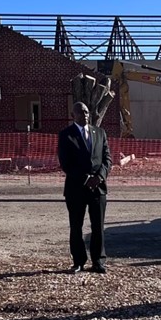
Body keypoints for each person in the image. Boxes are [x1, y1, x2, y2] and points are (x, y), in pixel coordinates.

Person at [57, 102, 111, 274]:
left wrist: (99, 177)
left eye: (87, 112)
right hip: (76, 188)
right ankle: (78, 261)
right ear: (73, 115)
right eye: (80, 113)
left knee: (98, 226)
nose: (85, 115)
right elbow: (66, 163)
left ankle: (98, 261)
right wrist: (85, 179)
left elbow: (107, 159)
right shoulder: (66, 135)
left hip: (98, 188)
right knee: (76, 226)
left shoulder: (100, 133)